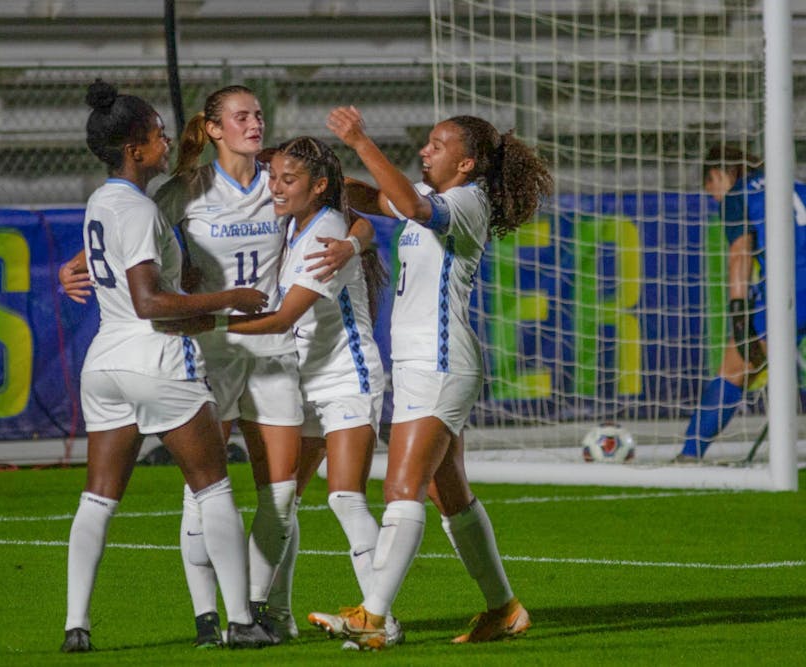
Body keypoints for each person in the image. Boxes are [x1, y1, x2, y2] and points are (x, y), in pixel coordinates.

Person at [59, 85, 372, 646]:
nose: (255, 122)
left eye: (258, 113)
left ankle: (266, 608)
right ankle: (210, 618)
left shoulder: (284, 173)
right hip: (208, 348)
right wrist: (74, 264)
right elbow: (132, 238)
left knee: (280, 495)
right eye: (241, 115)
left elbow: (359, 207)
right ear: (214, 128)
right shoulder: (187, 189)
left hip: (272, 349)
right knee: (203, 492)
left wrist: (355, 242)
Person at [307, 106, 553, 650]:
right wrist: (317, 173)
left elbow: (412, 206)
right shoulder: (438, 196)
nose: (425, 150)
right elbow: (378, 198)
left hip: (440, 363)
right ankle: (504, 609)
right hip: (429, 363)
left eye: (437, 145)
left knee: (402, 488)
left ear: (465, 163)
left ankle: (373, 618)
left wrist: (358, 140)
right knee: (451, 495)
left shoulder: (465, 202)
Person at [154, 135, 403, 646]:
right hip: (303, 376)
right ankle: (277, 615)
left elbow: (283, 319)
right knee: (284, 504)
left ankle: (380, 620)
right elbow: (345, 205)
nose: (274, 187)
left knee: (345, 497)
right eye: (273, 177)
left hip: (345, 379)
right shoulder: (297, 221)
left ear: (317, 187)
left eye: (287, 180)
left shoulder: (324, 230)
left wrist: (207, 324)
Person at [61, 79, 278, 653]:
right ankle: (238, 620)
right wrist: (227, 299)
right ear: (135, 149)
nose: (166, 142)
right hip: (153, 356)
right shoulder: (136, 208)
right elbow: (150, 303)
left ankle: (76, 625)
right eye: (158, 135)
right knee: (212, 490)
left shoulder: (102, 199)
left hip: (103, 362)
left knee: (98, 497)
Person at [675, 143, 806, 461]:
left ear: (720, 174)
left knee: (734, 367)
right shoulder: (797, 184)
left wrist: (738, 313)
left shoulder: (739, 196)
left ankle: (689, 456)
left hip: (792, 288)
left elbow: (740, 254)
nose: (713, 197)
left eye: (711, 188)